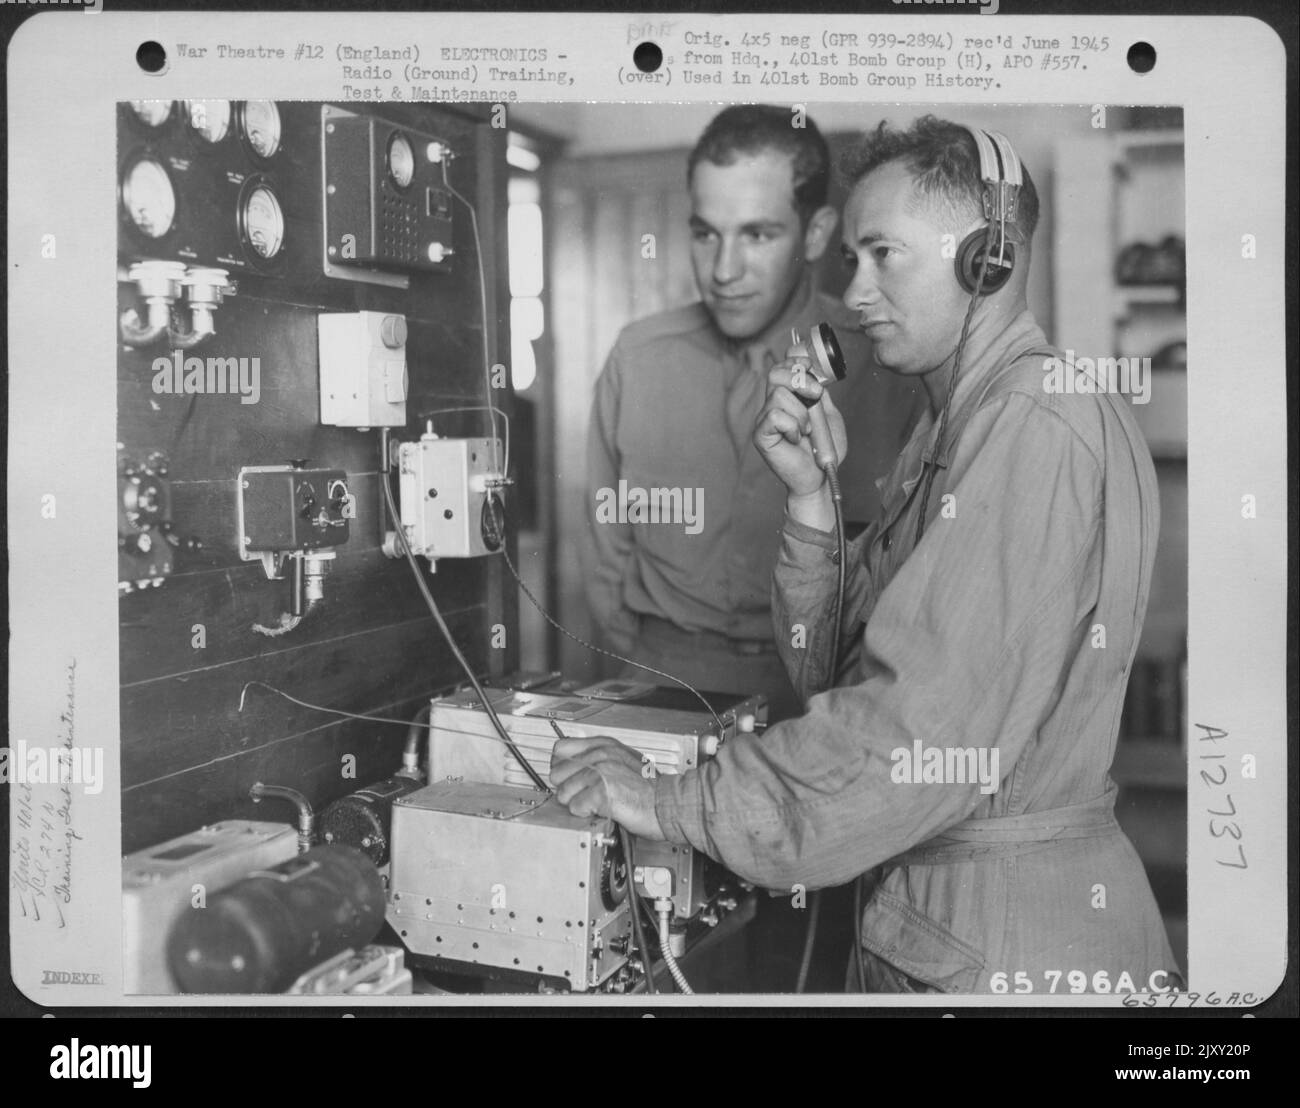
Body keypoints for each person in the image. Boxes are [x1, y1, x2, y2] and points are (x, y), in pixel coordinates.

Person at [552, 116, 1181, 993]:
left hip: (995, 939)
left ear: (986, 259)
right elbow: (844, 674)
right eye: (851, 259)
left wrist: (669, 803)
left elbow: (907, 737)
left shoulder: (1030, 424)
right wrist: (811, 497)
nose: (856, 292)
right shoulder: (961, 422)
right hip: (947, 915)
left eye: (884, 254)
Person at [583, 104, 921, 722]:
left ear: (815, 235)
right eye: (707, 232)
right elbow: (607, 554)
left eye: (758, 235)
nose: (723, 271)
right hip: (661, 679)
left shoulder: (885, 362)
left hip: (822, 692)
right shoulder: (638, 357)